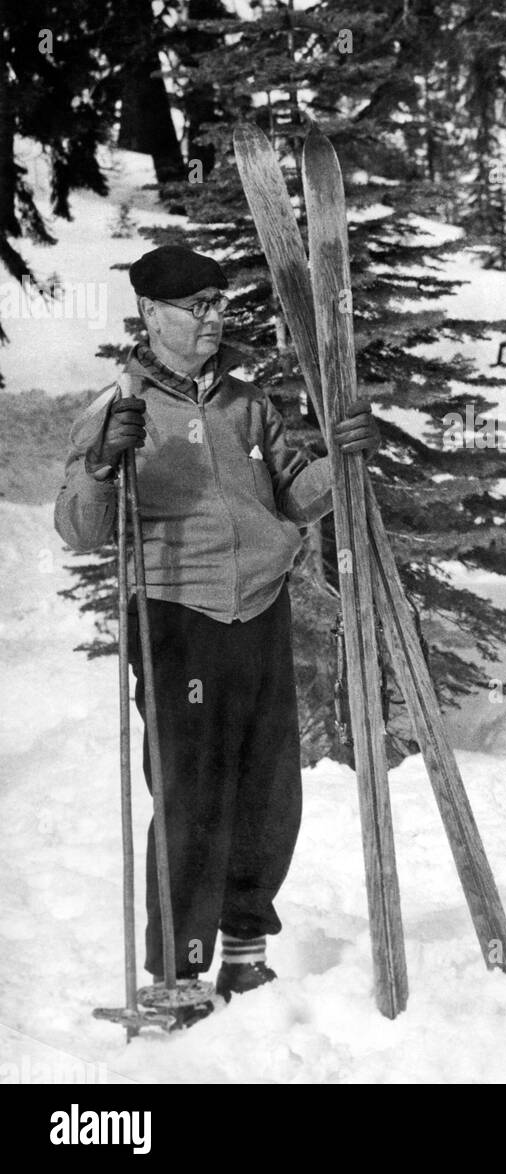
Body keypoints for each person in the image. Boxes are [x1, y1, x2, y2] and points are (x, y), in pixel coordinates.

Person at [55, 246, 379, 1021]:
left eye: (218, 303)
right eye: (195, 305)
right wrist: (104, 463)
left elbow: (299, 498)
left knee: (269, 787)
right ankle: (177, 972)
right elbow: (78, 529)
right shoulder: (117, 407)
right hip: (177, 615)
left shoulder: (246, 404)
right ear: (150, 315)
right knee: (192, 793)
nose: (212, 317)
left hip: (258, 608)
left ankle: (244, 953)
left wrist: (343, 455)